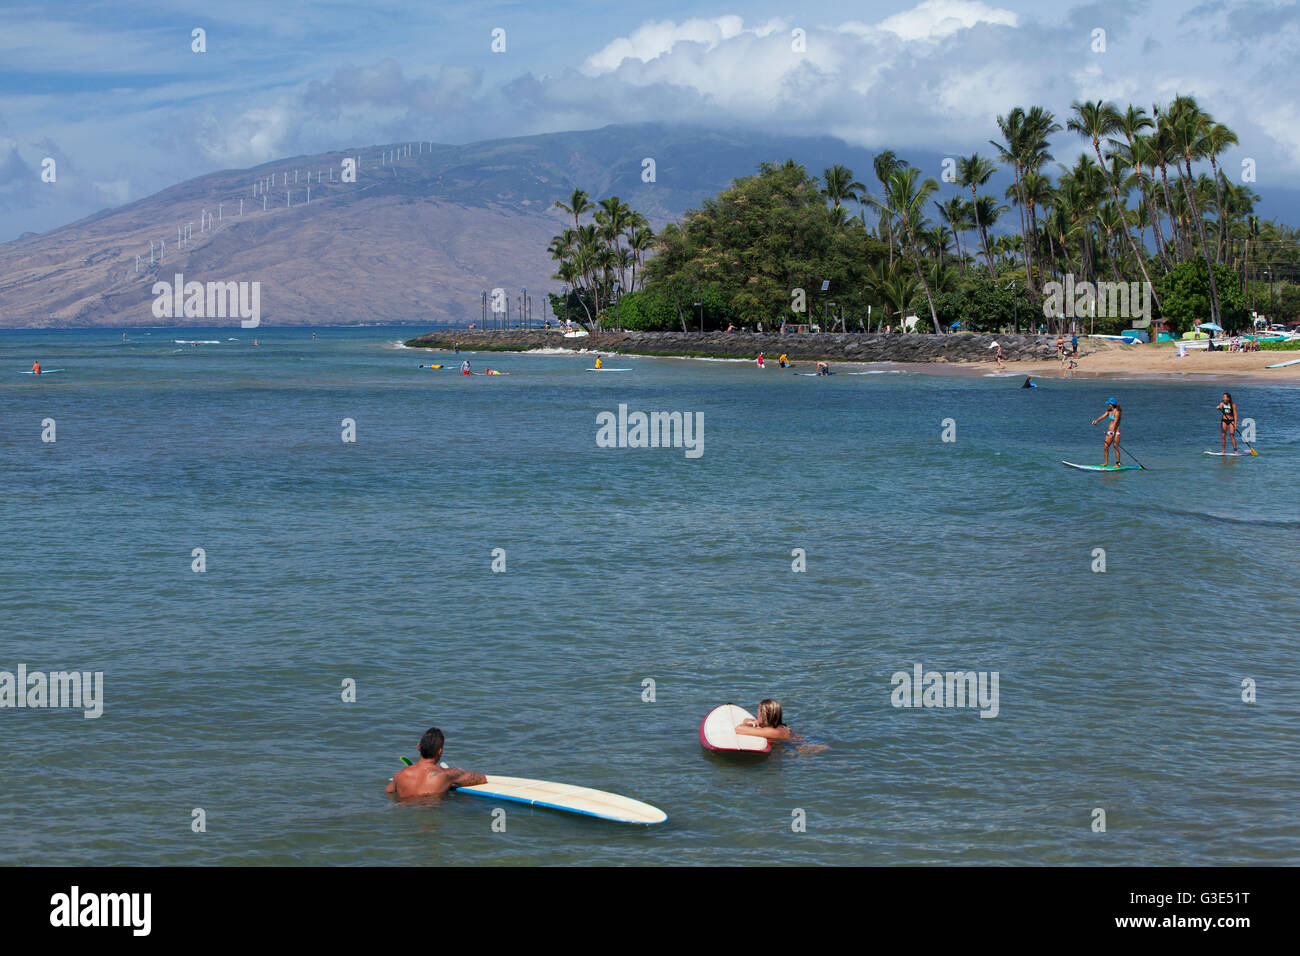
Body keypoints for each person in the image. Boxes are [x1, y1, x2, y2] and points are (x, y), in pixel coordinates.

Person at [386, 728, 486, 799]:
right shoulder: (446, 775)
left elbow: (389, 792)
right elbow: (481, 778)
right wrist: (458, 773)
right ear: (440, 751)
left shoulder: (400, 775)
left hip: (406, 812)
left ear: (418, 747)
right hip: (432, 815)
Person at [1090, 398, 1123, 467]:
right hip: (1110, 431)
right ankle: (1105, 463)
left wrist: (1112, 433)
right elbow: (1103, 416)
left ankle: (1118, 464)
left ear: (1112, 404)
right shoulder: (1109, 410)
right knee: (1106, 447)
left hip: (1116, 432)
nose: (1108, 404)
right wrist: (1096, 421)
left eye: (1109, 403)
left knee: (1115, 447)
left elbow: (1115, 423)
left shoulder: (1117, 412)